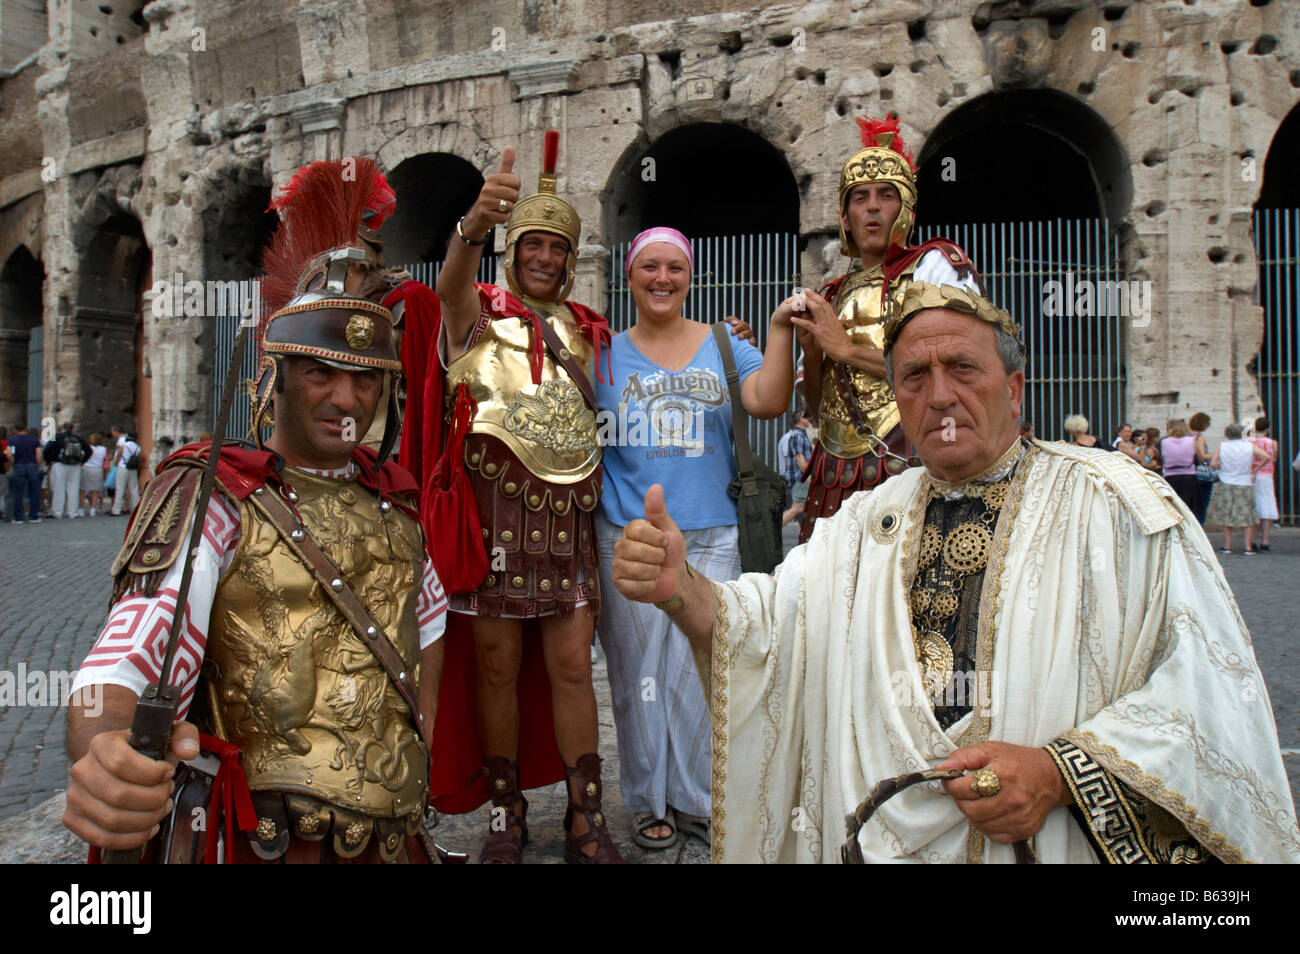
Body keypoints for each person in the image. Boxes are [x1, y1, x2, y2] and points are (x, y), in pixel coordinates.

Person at [611, 280, 1299, 863]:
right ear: (897, 399)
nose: (939, 395)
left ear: (1016, 388)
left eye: (963, 369)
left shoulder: (1116, 503)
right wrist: (686, 592)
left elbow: (1209, 689)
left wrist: (1059, 773)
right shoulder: (865, 519)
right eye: (914, 375)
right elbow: (769, 625)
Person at [63, 169, 449, 864]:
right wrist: (104, 752)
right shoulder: (215, 498)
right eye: (320, 374)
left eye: (366, 378)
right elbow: (129, 655)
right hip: (267, 841)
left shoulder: (397, 506)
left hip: (394, 840)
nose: (346, 399)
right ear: (272, 382)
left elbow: (428, 645)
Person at [405, 133, 622, 863]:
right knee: (496, 670)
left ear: (570, 258)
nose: (546, 258)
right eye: (533, 244)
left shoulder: (587, 331)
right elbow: (448, 286)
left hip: (566, 522)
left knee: (569, 668)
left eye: (558, 249)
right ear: (513, 249)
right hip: (495, 518)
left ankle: (585, 814)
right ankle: (506, 810)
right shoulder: (477, 314)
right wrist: (474, 225)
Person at [594, 226, 795, 850]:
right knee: (635, 676)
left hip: (713, 530)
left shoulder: (722, 344)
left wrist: (781, 327)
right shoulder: (600, 354)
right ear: (629, 277)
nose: (661, 278)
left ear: (690, 277)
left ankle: (695, 797)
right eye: (649, 267)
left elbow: (769, 400)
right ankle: (647, 798)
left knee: (702, 670)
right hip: (628, 536)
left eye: (674, 268)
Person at [794, 115, 980, 544]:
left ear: (905, 209)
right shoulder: (832, 292)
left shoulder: (936, 265)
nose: (872, 207)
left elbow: (953, 363)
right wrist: (815, 352)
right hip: (834, 465)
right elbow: (818, 405)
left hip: (909, 448)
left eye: (886, 195)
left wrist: (844, 348)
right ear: (846, 214)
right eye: (860, 198)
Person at [1205, 423, 1269, 555]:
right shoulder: (1249, 446)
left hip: (1226, 481)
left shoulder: (1222, 446)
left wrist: (1220, 467)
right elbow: (1266, 457)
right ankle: (1248, 547)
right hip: (1244, 481)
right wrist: (1255, 470)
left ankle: (1227, 546)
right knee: (1246, 516)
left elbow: (1213, 463)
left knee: (1227, 515)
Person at [46, 422, 91, 518]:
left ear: (62, 428)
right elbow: (89, 451)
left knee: (59, 488)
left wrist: (49, 460)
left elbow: (47, 449)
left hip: (59, 464)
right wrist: (82, 461)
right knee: (73, 489)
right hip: (75, 465)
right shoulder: (78, 438)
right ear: (72, 429)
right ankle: (72, 512)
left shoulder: (57, 437)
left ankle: (57, 512)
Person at [779, 406, 814, 527]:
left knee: (804, 509)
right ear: (801, 419)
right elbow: (800, 459)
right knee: (797, 508)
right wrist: (808, 476)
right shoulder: (798, 436)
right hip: (801, 479)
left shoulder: (800, 435)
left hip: (801, 478)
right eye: (806, 416)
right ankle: (773, 529)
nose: (809, 418)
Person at [1249, 416, 1278, 552]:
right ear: (1268, 428)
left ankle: (1252, 539)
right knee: (1266, 505)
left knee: (1253, 505)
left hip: (1251, 475)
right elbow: (1274, 458)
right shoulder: (1272, 443)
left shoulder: (1249, 441)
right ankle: (1265, 541)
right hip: (1266, 476)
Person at [1159, 419, 1199, 515]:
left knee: (1173, 506)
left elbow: (1161, 458)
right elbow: (1197, 458)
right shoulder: (1192, 440)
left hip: (1170, 475)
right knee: (1188, 505)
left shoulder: (1163, 442)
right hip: (1188, 474)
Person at [6, 424, 42, 524]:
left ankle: (18, 517)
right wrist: (37, 465)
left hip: (18, 465)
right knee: (34, 491)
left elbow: (9, 454)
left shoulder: (12, 440)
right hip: (32, 465)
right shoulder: (34, 440)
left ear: (15, 430)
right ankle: (33, 516)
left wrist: (12, 464)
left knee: (18, 492)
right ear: (25, 429)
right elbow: (39, 454)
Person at [109, 429, 142, 516]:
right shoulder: (137, 447)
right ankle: (136, 508)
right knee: (134, 489)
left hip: (123, 467)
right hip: (133, 468)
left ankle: (116, 509)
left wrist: (116, 463)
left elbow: (119, 455)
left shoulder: (123, 445)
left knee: (120, 488)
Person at [1189, 411, 1214, 524]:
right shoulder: (1200, 437)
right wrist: (1217, 453)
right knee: (1202, 503)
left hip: (1190, 471)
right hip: (1201, 473)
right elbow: (1202, 456)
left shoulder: (1186, 435)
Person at [79, 433, 107, 516]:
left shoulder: (88, 448)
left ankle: (81, 509)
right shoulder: (103, 449)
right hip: (97, 469)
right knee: (95, 491)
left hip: (87, 468)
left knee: (82, 490)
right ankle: (93, 509)